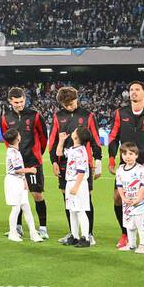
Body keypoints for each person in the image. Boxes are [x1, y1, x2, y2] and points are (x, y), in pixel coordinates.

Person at [108, 81, 144, 251]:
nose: (133, 92)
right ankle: (125, 234)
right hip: (125, 163)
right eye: (131, 89)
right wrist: (111, 159)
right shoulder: (121, 113)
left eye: (137, 89)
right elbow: (113, 137)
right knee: (118, 197)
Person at [46, 87, 102, 243]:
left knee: (85, 198)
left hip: (83, 163)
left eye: (71, 103)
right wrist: (54, 161)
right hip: (64, 163)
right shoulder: (58, 117)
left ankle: (88, 234)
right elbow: (53, 141)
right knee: (68, 198)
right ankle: (73, 233)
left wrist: (98, 161)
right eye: (66, 105)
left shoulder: (88, 116)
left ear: (77, 99)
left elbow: (96, 139)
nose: (69, 107)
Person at [1, 87, 49, 239]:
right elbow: (6, 139)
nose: (20, 104)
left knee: (36, 194)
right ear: (10, 101)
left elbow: (43, 137)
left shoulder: (35, 116)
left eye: (22, 101)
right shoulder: (6, 118)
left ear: (25, 99)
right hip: (17, 164)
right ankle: (18, 227)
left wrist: (37, 154)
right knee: (18, 196)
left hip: (32, 161)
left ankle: (43, 228)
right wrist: (14, 156)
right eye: (16, 102)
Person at [3, 128, 42, 243]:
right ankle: (12, 233)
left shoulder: (15, 151)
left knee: (26, 207)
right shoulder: (13, 152)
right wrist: (31, 170)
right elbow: (17, 169)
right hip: (13, 181)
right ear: (18, 139)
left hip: (19, 181)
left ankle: (33, 233)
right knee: (16, 208)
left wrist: (24, 181)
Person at [114, 141, 144, 254]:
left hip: (140, 202)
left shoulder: (141, 169)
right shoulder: (120, 169)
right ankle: (131, 244)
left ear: (136, 155)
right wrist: (123, 198)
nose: (127, 156)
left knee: (141, 225)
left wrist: (138, 199)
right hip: (127, 202)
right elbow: (119, 186)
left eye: (131, 154)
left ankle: (143, 245)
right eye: (124, 154)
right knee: (129, 224)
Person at [61, 126, 95, 247]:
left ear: (76, 137)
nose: (72, 131)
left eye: (75, 131)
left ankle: (85, 237)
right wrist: (61, 141)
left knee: (80, 210)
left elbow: (81, 171)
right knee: (72, 210)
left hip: (78, 183)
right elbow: (59, 153)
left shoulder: (80, 152)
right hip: (70, 181)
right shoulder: (72, 149)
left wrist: (76, 186)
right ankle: (74, 236)